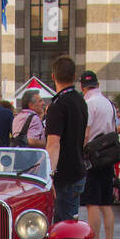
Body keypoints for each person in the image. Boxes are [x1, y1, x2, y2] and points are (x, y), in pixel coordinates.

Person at [44, 55, 87, 224]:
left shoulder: (57, 105)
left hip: (63, 175)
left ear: (53, 76)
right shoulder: (80, 101)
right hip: (77, 170)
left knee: (63, 228)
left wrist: (49, 176)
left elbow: (53, 143)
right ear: (74, 76)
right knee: (71, 222)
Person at [80, 70, 118, 239]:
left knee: (92, 203)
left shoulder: (88, 103)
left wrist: (81, 150)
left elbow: (86, 133)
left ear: (82, 87)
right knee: (105, 203)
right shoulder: (108, 103)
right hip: (108, 155)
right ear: (98, 84)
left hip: (93, 156)